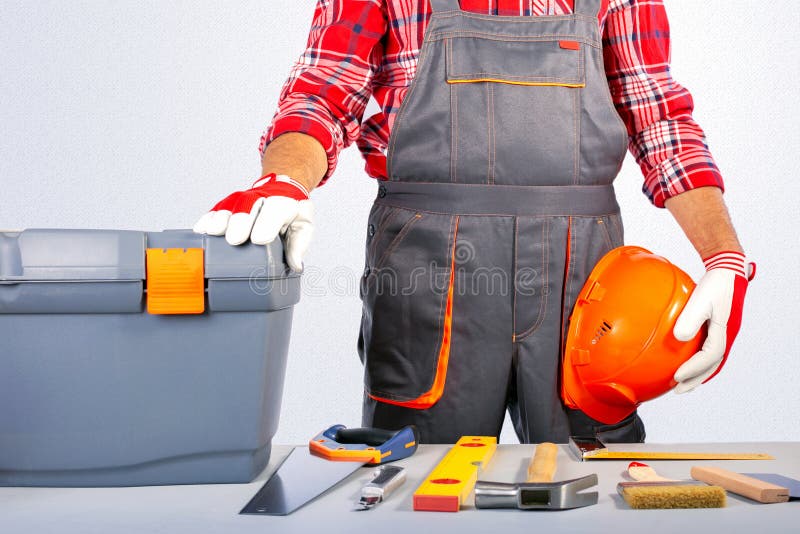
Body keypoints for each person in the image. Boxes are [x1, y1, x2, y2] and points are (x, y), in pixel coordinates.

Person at [193, 0, 751, 444]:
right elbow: (323, 91)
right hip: (429, 267)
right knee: (416, 480)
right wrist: (286, 179)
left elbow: (660, 121)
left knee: (595, 481)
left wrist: (723, 255)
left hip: (586, 281)